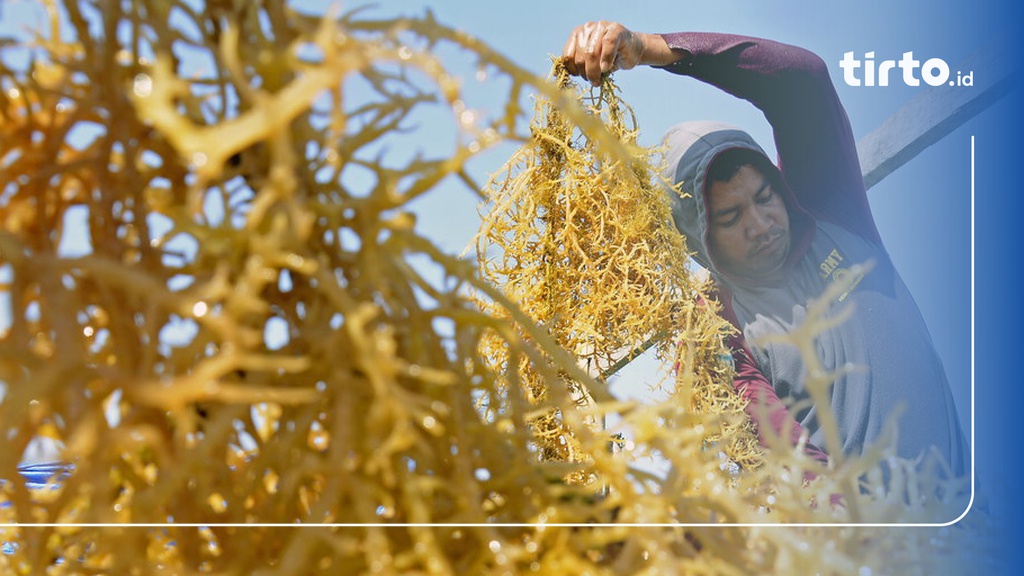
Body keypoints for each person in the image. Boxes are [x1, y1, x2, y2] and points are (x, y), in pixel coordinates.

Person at [561, 22, 968, 476]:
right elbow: (790, 468)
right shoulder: (715, 330)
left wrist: (651, 48)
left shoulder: (830, 212)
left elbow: (802, 80)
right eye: (731, 218)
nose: (760, 225)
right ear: (699, 237)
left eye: (764, 197)